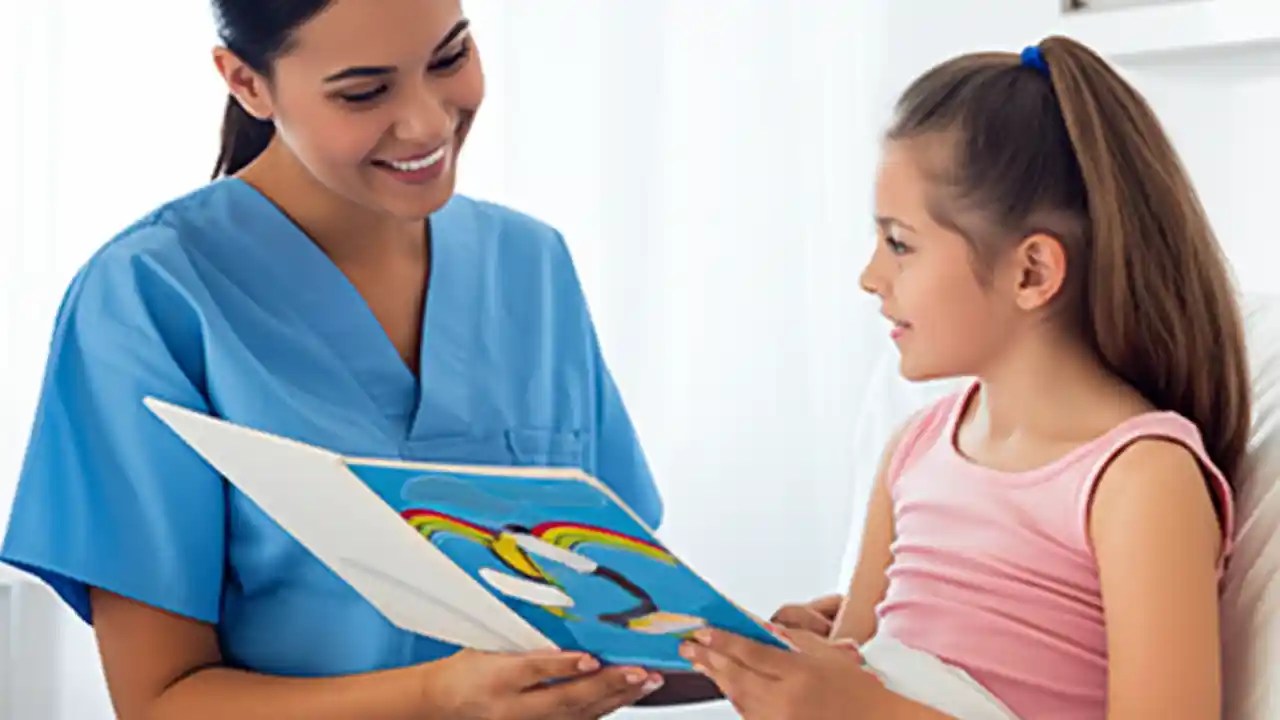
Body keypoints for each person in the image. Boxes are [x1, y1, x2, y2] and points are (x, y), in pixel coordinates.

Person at [0, 1, 688, 717]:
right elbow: (160, 701)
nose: (426, 122)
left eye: (449, 58)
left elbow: (603, 635)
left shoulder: (529, 265)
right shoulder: (152, 295)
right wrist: (437, 697)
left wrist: (765, 653)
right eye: (363, 92)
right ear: (246, 82)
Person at [682, 35, 1250, 719]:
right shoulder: (916, 449)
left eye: (899, 243)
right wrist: (808, 663)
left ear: (1031, 272)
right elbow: (859, 669)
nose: (871, 276)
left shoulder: (1138, 479)